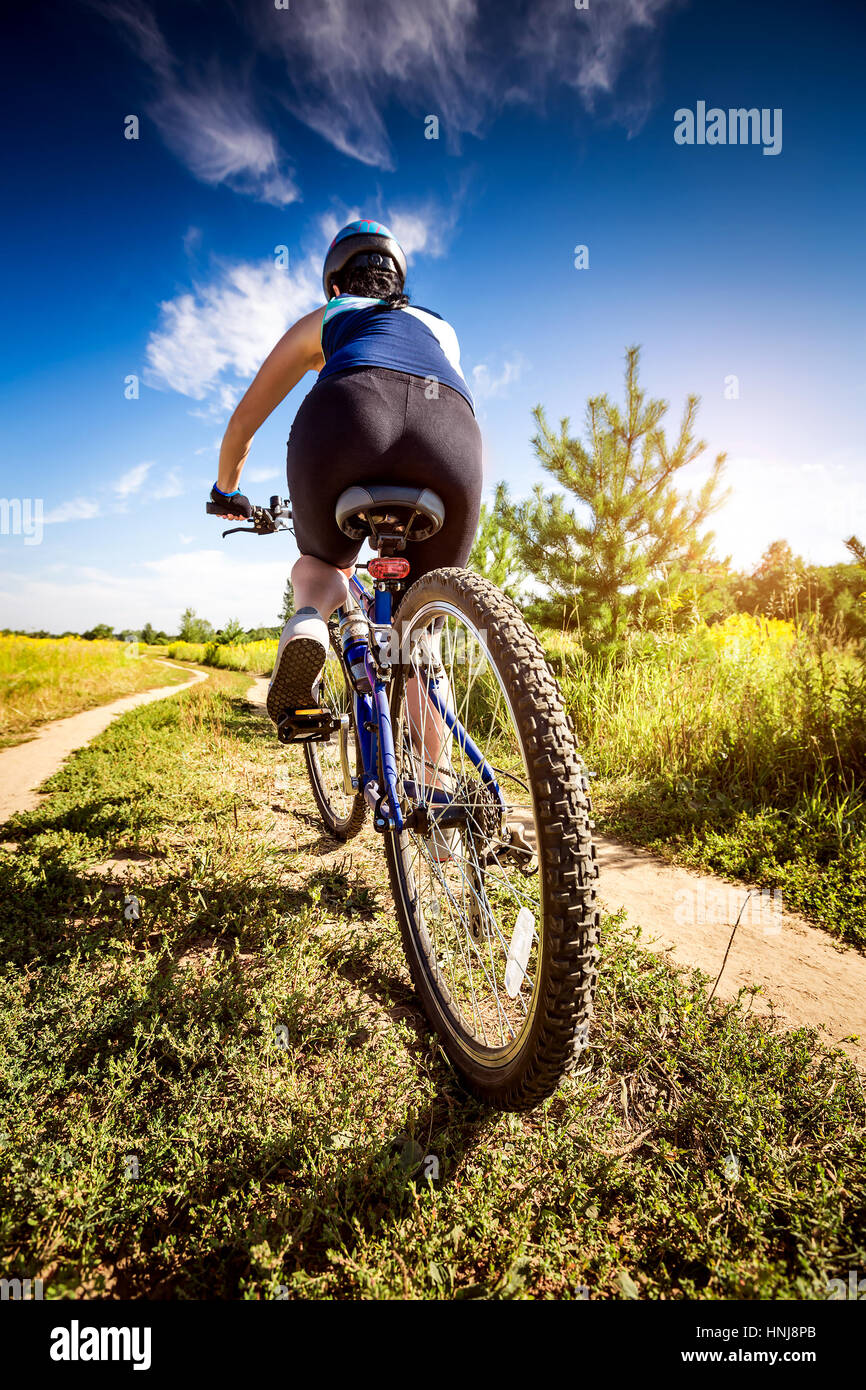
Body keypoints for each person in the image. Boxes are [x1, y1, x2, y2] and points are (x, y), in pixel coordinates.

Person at [209, 219, 483, 724]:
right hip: (451, 433)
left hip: (347, 415)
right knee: (421, 629)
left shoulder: (330, 315)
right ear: (398, 286)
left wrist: (227, 490)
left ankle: (309, 621)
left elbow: (244, 422)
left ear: (336, 285)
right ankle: (438, 782)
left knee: (321, 566)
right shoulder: (440, 328)